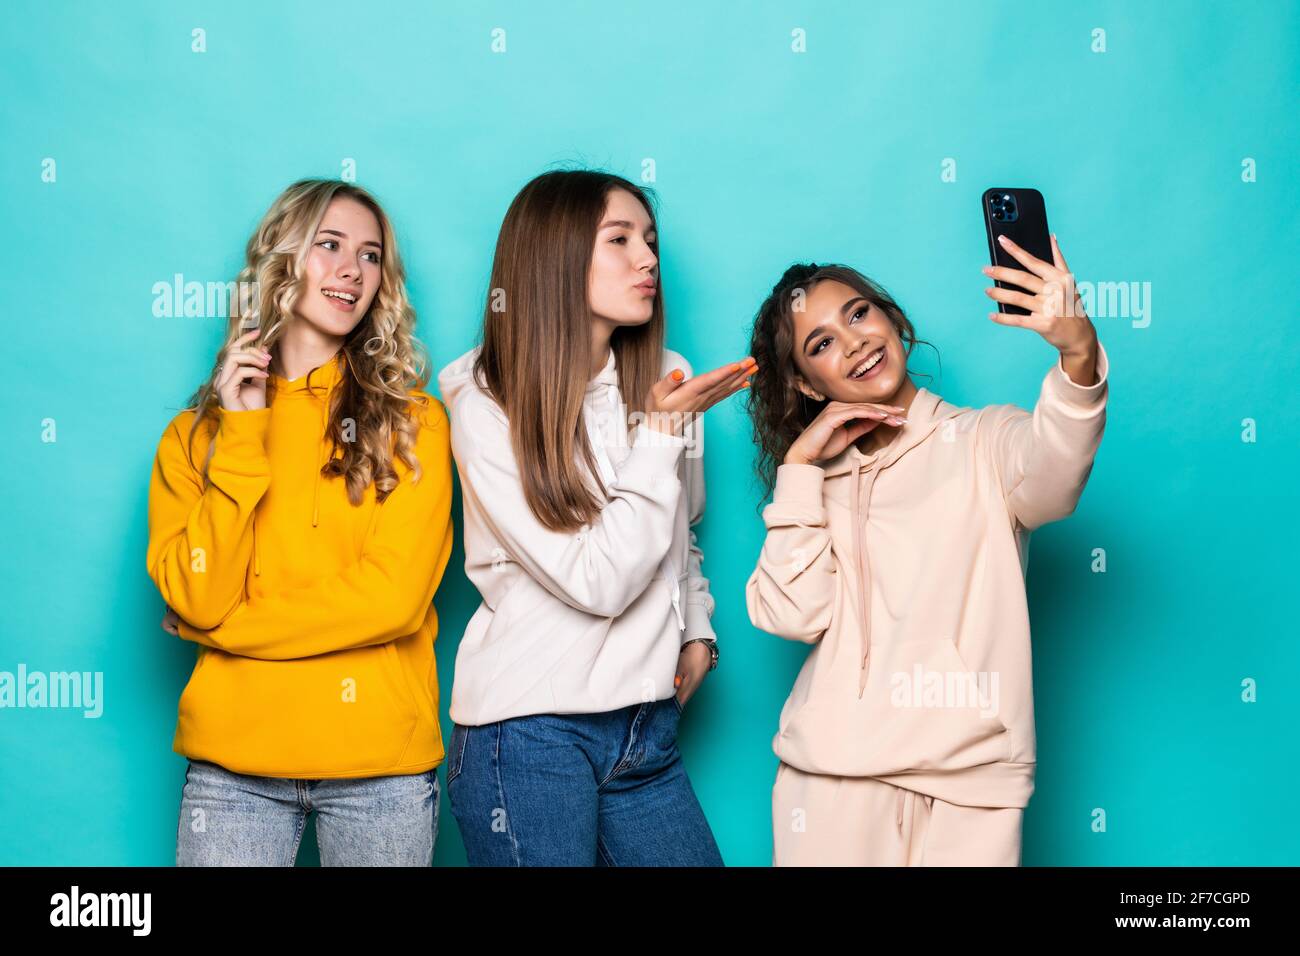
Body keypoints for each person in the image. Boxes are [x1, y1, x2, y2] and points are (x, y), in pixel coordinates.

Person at [744, 234, 1108, 865]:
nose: (854, 341)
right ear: (805, 384)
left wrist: (1078, 352)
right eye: (822, 343)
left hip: (970, 781)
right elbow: (791, 616)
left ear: (894, 321)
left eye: (859, 313)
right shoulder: (813, 483)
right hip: (828, 780)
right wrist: (800, 465)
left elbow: (1054, 478)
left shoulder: (982, 440)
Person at [438, 169, 753, 866]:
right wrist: (663, 437)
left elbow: (681, 535)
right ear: (554, 256)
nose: (648, 260)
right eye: (620, 240)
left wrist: (698, 630)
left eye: (650, 240)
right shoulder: (485, 409)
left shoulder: (668, 375)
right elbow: (599, 582)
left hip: (645, 728)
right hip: (527, 736)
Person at [147, 179, 454, 866]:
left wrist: (218, 631)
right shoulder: (193, 439)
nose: (353, 270)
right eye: (330, 245)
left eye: (371, 256)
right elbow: (197, 592)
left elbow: (392, 600)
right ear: (280, 260)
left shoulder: (416, 425)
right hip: (231, 771)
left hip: (382, 768)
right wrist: (246, 432)